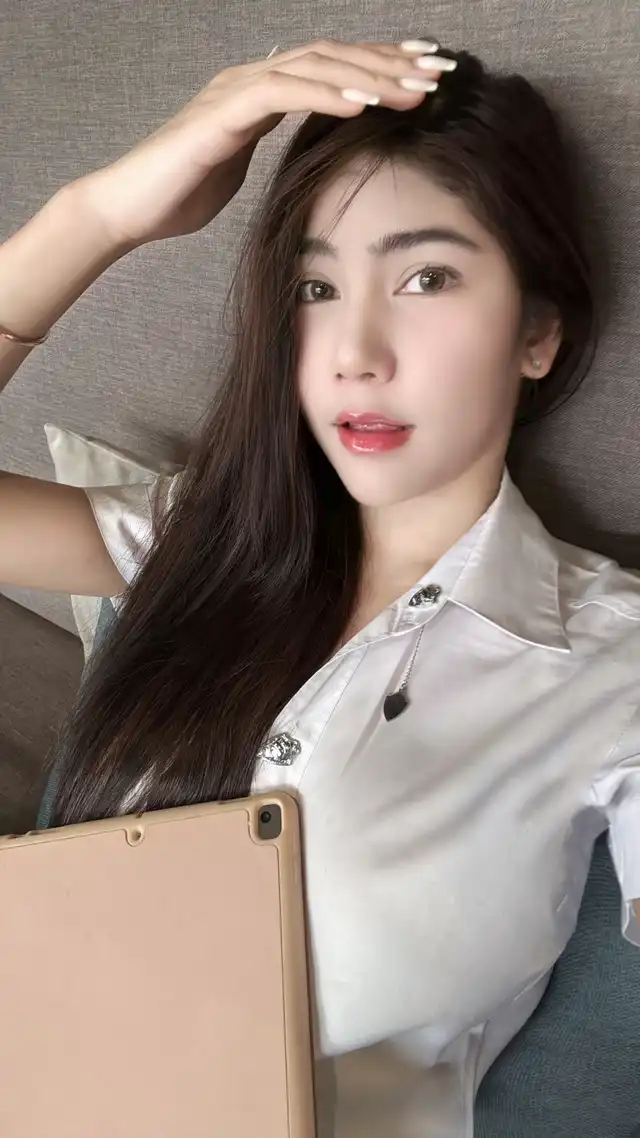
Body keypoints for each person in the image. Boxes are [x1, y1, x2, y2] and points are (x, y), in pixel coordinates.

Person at [0, 35, 638, 1137]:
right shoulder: (196, 540)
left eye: (426, 277)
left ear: (539, 330)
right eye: (314, 285)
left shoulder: (611, 663)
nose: (354, 351)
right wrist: (99, 213)